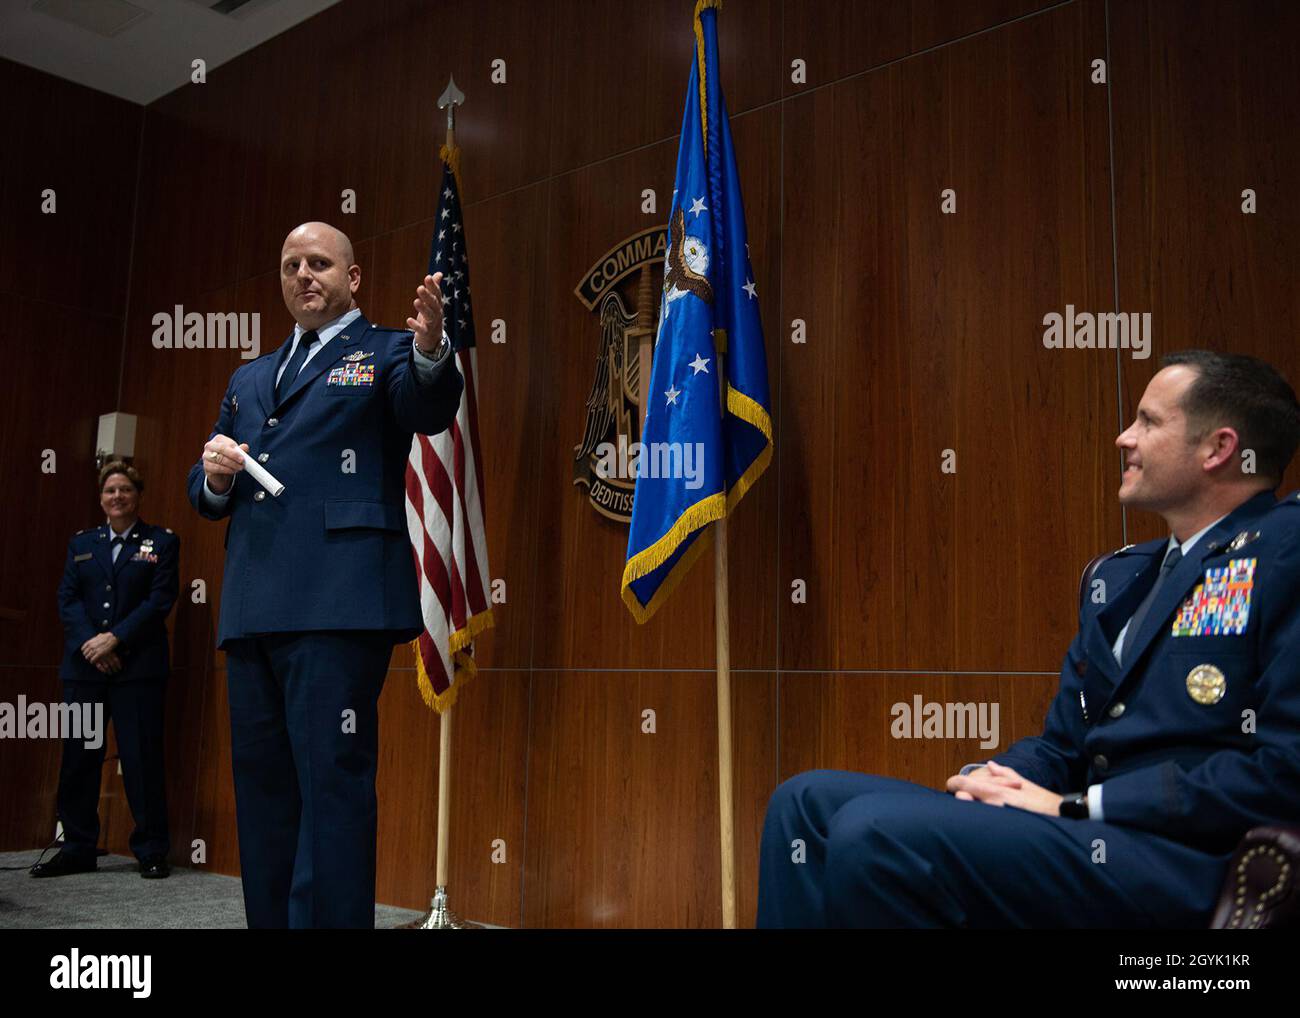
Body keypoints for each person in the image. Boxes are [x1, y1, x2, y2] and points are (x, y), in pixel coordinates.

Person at [757, 349, 1300, 927]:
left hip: (1181, 859)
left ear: (1219, 449)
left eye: (1148, 421)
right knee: (805, 803)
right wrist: (993, 780)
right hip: (1086, 836)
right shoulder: (1120, 579)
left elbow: (1284, 770)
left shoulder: (1283, 549)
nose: (1123, 438)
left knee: (876, 833)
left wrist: (1078, 805)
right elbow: (1064, 746)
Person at [186, 221, 462, 929]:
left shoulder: (387, 351)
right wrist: (214, 478)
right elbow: (204, 491)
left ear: (353, 277)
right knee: (264, 792)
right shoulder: (249, 376)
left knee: (331, 788)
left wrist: (432, 349)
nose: (303, 275)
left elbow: (426, 404)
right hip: (253, 606)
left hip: (339, 606)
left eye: (318, 263)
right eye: (289, 266)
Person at [35, 462, 180, 879]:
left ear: (138, 495)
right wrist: (93, 646)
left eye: (125, 490)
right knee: (78, 759)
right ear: (101, 499)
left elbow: (159, 601)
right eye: (110, 491)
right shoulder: (82, 543)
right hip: (85, 670)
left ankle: (151, 849)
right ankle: (77, 846)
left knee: (141, 760)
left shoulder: (161, 542)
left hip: (139, 670)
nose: (117, 497)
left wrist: (114, 639)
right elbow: (68, 599)